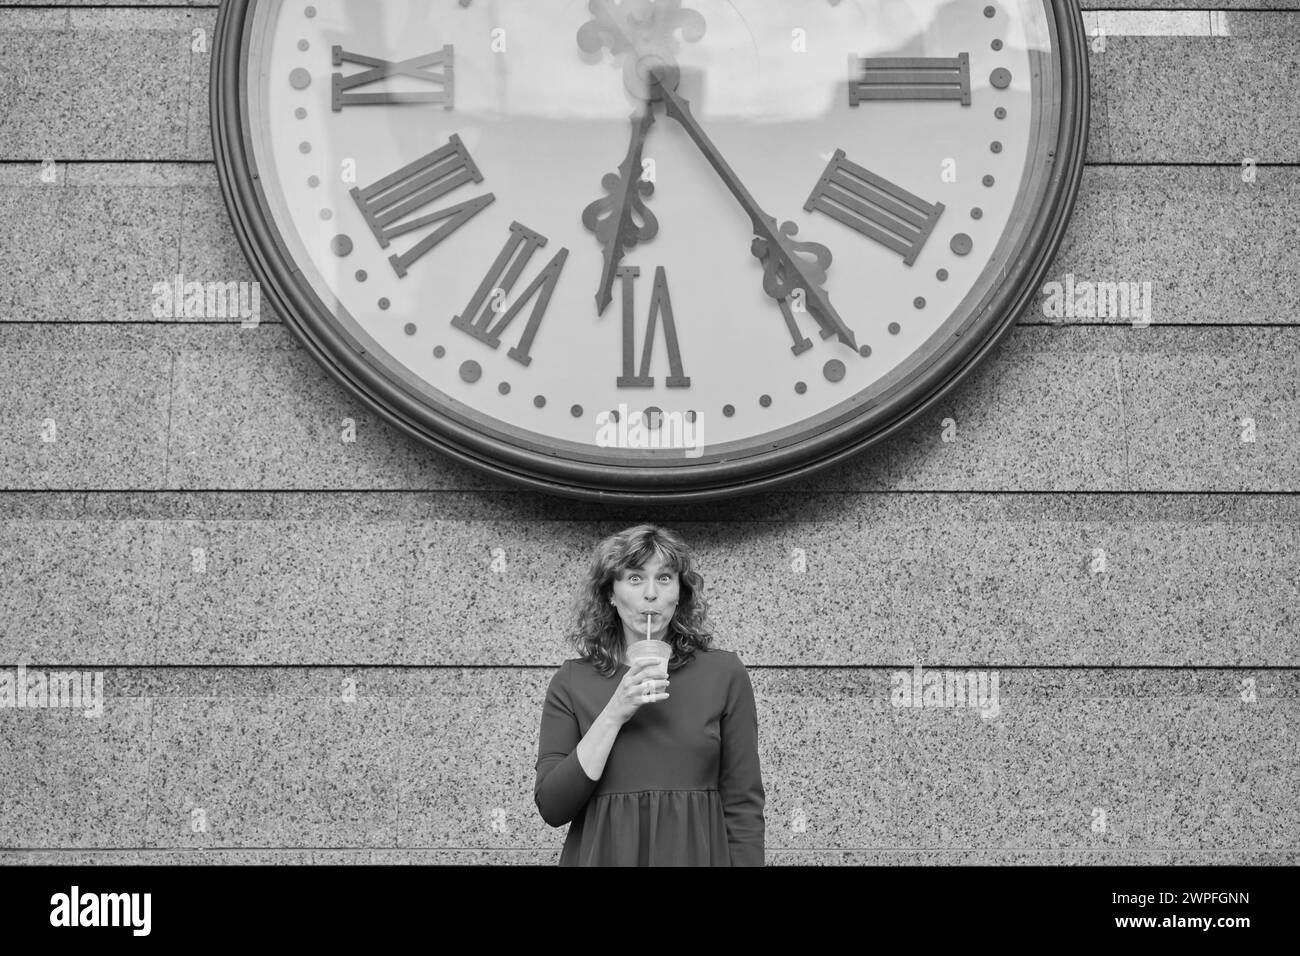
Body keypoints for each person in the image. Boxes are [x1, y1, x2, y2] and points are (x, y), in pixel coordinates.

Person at [533, 523, 765, 866]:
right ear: (611, 593)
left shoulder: (724, 674)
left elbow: (743, 805)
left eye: (665, 578)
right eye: (635, 578)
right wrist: (614, 711)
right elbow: (553, 806)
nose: (651, 594)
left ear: (679, 593)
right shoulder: (571, 682)